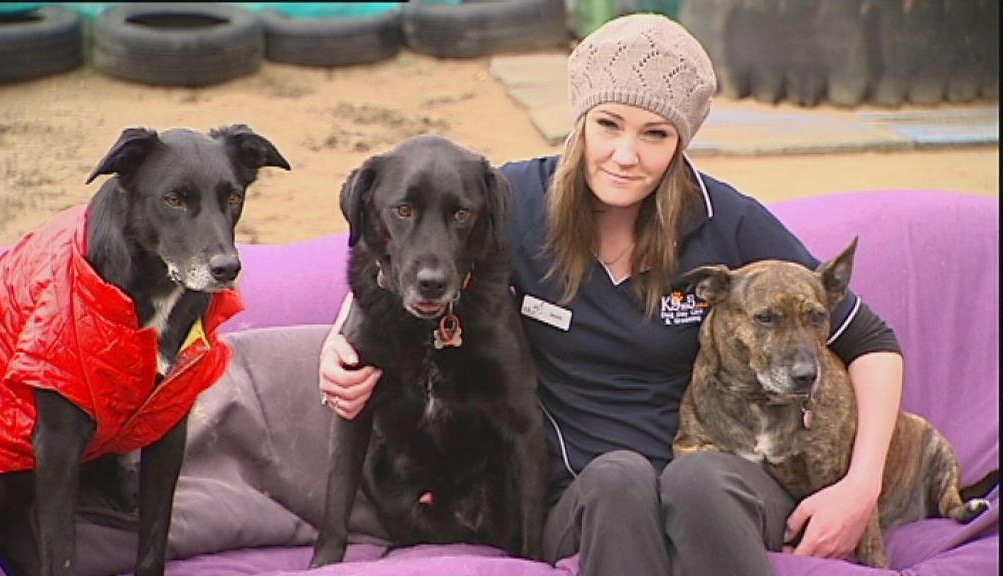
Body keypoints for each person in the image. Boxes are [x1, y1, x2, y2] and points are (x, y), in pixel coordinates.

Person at [318, 13, 904, 576]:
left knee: (695, 479)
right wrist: (338, 341)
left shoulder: (726, 219)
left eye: (655, 134)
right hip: (581, 495)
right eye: (609, 124)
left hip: (720, 482)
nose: (627, 155)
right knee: (619, 477)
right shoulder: (515, 200)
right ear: (581, 121)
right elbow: (405, 251)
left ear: (681, 142)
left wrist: (860, 486)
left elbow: (872, 340)